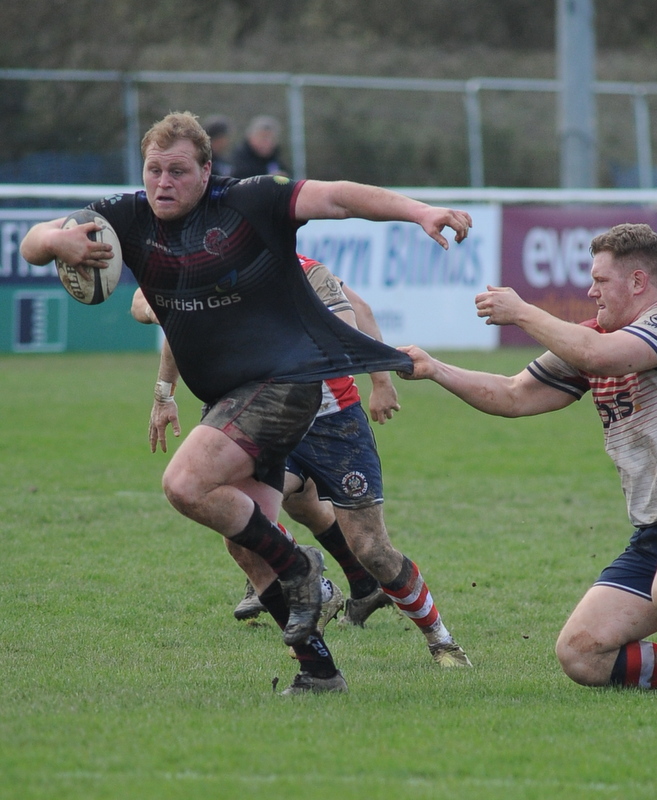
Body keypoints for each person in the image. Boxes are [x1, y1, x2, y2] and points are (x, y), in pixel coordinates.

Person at [21, 110, 472, 694]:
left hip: (286, 383)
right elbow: (36, 242)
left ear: (208, 171)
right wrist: (55, 238)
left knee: (185, 484)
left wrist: (420, 211)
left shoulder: (249, 201)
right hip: (230, 399)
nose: (163, 182)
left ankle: (305, 566)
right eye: (154, 169)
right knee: (245, 544)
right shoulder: (126, 216)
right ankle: (319, 672)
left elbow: (336, 197)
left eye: (178, 171)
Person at [399, 222, 657, 691]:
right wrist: (435, 369)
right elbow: (513, 395)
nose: (591, 291)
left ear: (637, 281)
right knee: (581, 653)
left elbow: (601, 354)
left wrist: (524, 312)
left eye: (600, 280)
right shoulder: (592, 341)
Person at [130, 253, 471, 667]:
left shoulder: (307, 273)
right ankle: (310, 588)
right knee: (241, 529)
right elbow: (145, 304)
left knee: (372, 549)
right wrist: (167, 314)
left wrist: (380, 380)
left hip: (333, 424)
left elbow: (349, 322)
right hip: (267, 422)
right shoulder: (208, 274)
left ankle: (440, 638)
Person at [230, 114, 289, 179]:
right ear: (251, 137)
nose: (267, 142)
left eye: (271, 138)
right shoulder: (239, 161)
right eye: (263, 138)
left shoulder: (275, 160)